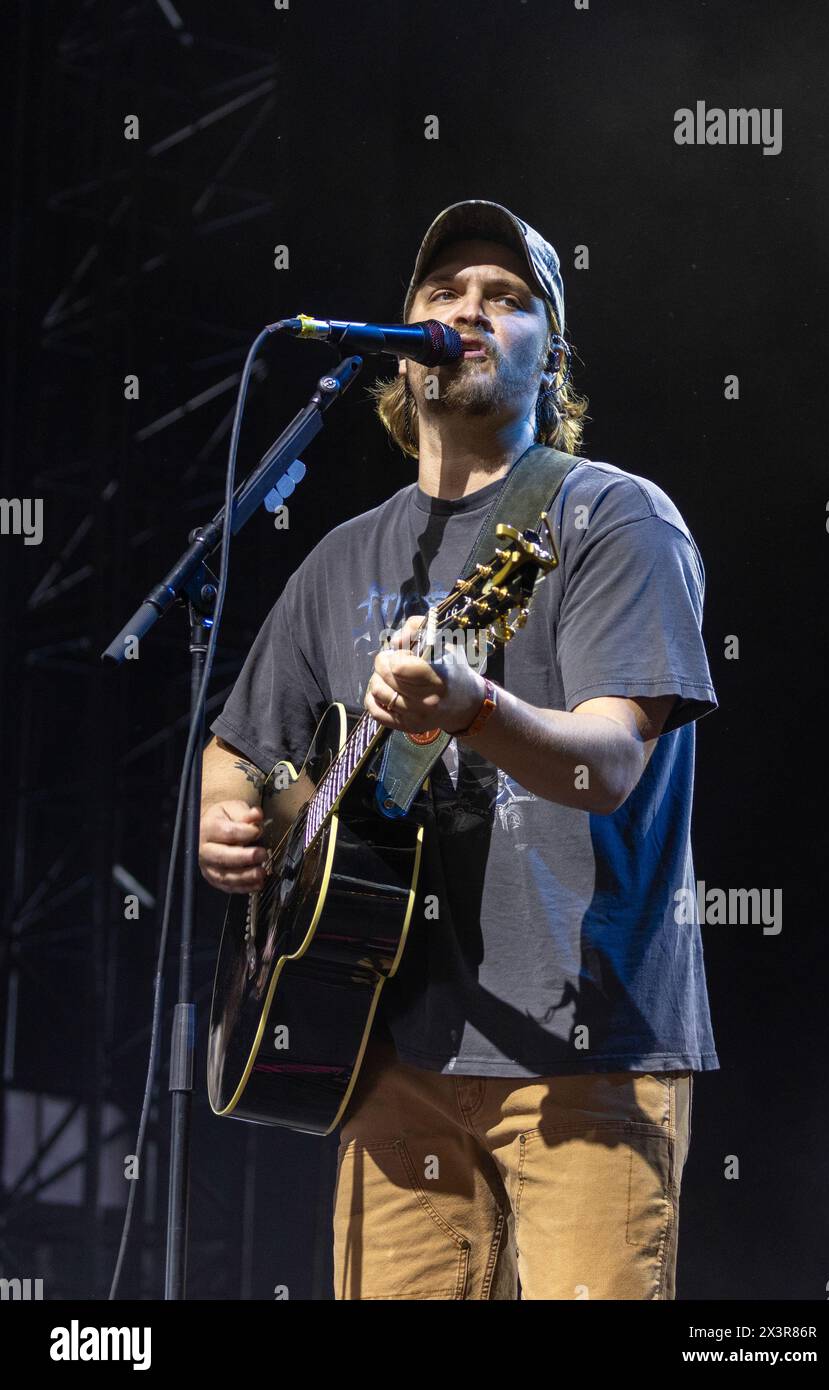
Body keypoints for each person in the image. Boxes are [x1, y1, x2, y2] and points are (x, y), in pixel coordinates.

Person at [199, 199, 719, 1300]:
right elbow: (239, 746)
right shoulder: (342, 555)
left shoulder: (612, 518)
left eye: (506, 299)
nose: (468, 312)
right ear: (400, 350)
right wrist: (235, 817)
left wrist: (473, 708)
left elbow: (611, 765)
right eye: (444, 295)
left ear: (553, 357)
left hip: (583, 1057)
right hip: (385, 1054)